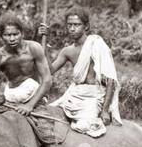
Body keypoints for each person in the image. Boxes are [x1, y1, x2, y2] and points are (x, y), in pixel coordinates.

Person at [46, 9, 120, 137]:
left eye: (77, 25)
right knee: (47, 115)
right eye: (70, 25)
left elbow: (110, 80)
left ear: (86, 26)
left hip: (93, 96)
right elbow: (49, 71)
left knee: (84, 126)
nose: (72, 29)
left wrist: (105, 111)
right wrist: (45, 45)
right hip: (73, 95)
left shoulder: (96, 44)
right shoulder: (67, 51)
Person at [0, 12, 51, 115]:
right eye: (7, 35)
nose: (12, 39)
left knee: (45, 127)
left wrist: (30, 105)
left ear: (22, 33)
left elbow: (47, 80)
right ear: (1, 36)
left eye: (15, 34)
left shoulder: (34, 48)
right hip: (11, 96)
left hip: (35, 95)